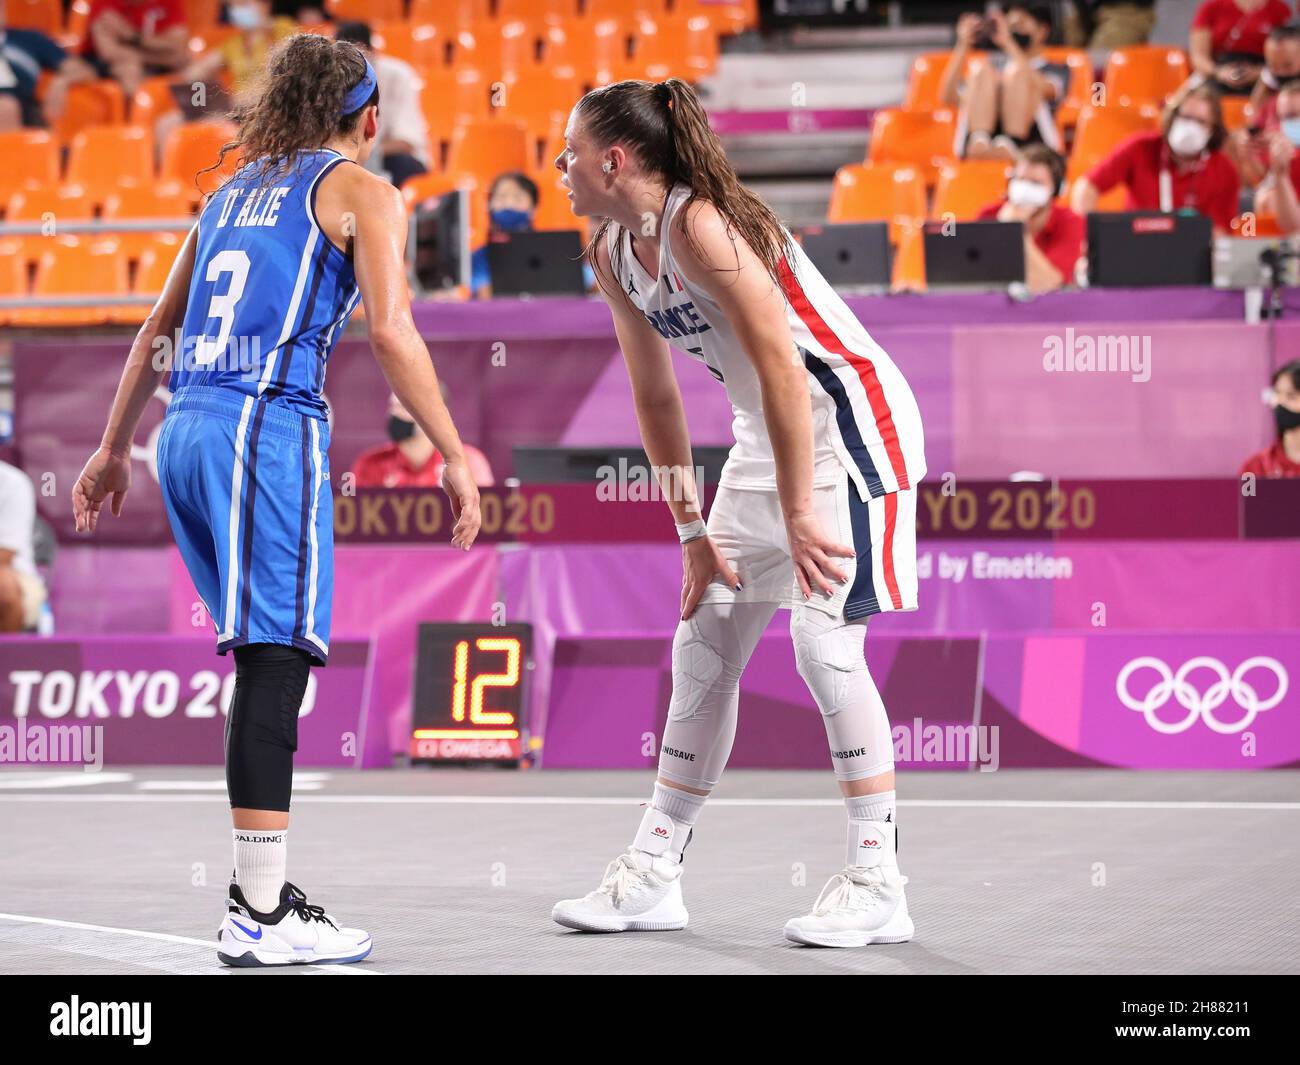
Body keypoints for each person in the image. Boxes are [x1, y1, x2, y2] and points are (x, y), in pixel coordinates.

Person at [71, 34, 481, 967]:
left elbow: (153, 327)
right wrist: (454, 451)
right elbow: (392, 330)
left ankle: (259, 894)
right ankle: (260, 909)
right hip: (264, 426)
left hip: (181, 428)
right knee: (275, 662)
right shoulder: (365, 192)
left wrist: (109, 449)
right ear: (371, 117)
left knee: (264, 662)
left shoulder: (227, 193)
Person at [549, 78, 926, 948]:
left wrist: (800, 511)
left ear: (616, 159)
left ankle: (879, 880)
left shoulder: (701, 226)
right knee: (704, 637)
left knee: (823, 644)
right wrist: (689, 530)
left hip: (851, 425)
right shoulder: (611, 251)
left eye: (570, 153)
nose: (559, 168)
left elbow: (791, 370)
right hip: (765, 436)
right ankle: (653, 872)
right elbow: (656, 399)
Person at [1071, 82, 1241, 235]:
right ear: (1173, 116)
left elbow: (1219, 234)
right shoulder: (1140, 147)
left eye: (1201, 122)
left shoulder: (1224, 171)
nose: (1191, 127)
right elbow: (1086, 187)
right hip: (1134, 246)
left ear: (1213, 130)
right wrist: (1088, 236)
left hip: (1190, 258)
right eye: (1186, 117)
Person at [941, 4, 1069, 160]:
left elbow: (1046, 90)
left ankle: (1012, 142)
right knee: (980, 69)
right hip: (982, 151)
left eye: (1020, 25)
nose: (1013, 32)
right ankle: (980, 138)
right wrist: (963, 45)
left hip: (1034, 152)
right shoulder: (992, 70)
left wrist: (1008, 44)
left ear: (1043, 31)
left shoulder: (1056, 68)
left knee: (1018, 74)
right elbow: (948, 97)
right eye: (1010, 26)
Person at [334, 21, 430, 188]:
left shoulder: (398, 75)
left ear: (370, 51)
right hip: (348, 159)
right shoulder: (331, 79)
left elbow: (406, 143)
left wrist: (362, 152)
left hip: (389, 159)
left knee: (402, 164)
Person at [976, 144, 1084, 291]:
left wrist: (1016, 232)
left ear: (1056, 189)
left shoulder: (1071, 222)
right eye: (1020, 180)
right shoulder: (989, 215)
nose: (1025, 189)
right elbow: (978, 276)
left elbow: (1051, 284)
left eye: (1035, 183)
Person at [351, 389, 495, 488]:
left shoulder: (468, 462)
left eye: (403, 407)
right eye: (392, 406)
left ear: (433, 415)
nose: (394, 414)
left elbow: (483, 517)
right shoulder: (370, 465)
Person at [0, 0, 95, 129]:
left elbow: (83, 70)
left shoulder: (29, 39)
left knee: (6, 107)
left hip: (23, 111)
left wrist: (61, 81)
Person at [80, 0, 188, 96]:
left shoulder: (168, 2)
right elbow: (108, 52)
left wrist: (133, 36)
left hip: (150, 57)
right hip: (99, 63)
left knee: (187, 62)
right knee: (129, 66)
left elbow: (178, 44)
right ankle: (136, 115)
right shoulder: (104, 4)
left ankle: (198, 114)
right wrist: (163, 57)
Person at [1189, 0, 1293, 96]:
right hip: (1217, 71)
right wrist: (1219, 72)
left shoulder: (1279, 10)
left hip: (1262, 75)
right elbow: (1198, 57)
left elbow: (1287, 58)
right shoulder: (1211, 7)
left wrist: (1259, 73)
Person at [0, 459, 46, 633]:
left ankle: (6, 658)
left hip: (13, 573)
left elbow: (4, 555)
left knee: (3, 587)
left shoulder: (12, 482)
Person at [1240, 359, 1300, 476]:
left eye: (1291, 396)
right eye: (1277, 394)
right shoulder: (1255, 467)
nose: (1280, 403)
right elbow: (1247, 494)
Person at [1254, 82, 1300, 228]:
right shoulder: (1286, 158)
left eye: (1294, 115)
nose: (1290, 124)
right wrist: (1280, 175)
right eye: (1284, 118)